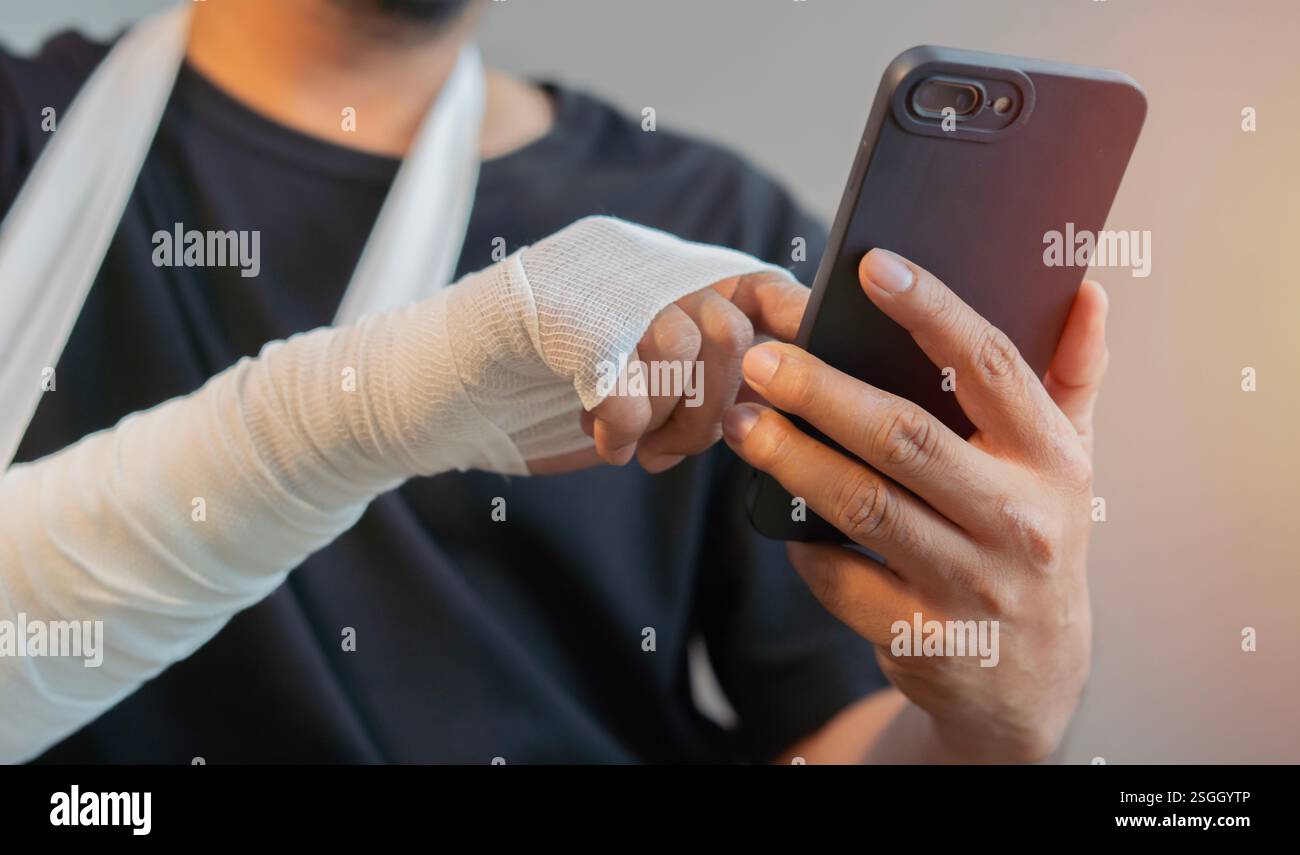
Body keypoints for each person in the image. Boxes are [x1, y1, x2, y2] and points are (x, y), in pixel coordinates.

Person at [0, 0, 1108, 763]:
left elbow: (828, 735)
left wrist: (993, 729)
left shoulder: (723, 237)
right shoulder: (20, 139)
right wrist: (370, 406)